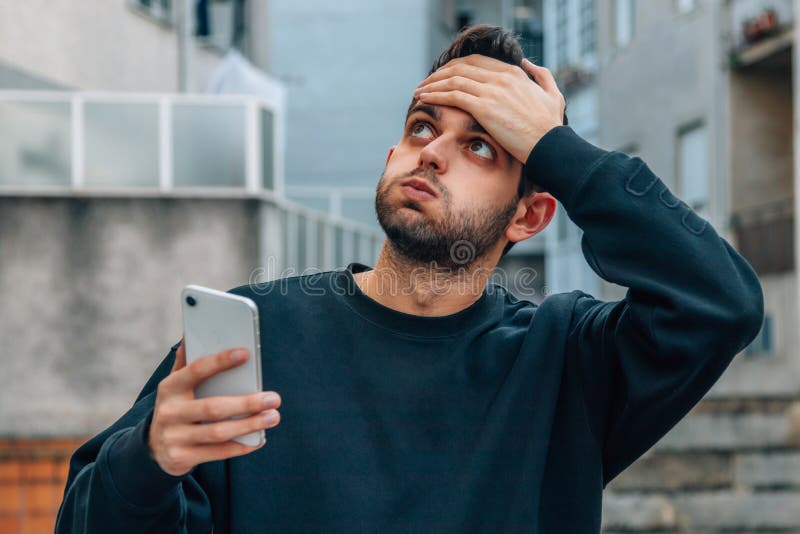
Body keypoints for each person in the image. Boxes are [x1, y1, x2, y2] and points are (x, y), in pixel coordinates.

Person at [56, 25, 764, 533]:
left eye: (482, 144)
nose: (434, 154)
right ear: (391, 155)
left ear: (533, 214)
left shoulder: (566, 361)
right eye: (424, 127)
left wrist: (555, 147)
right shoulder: (255, 333)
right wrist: (146, 460)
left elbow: (721, 302)